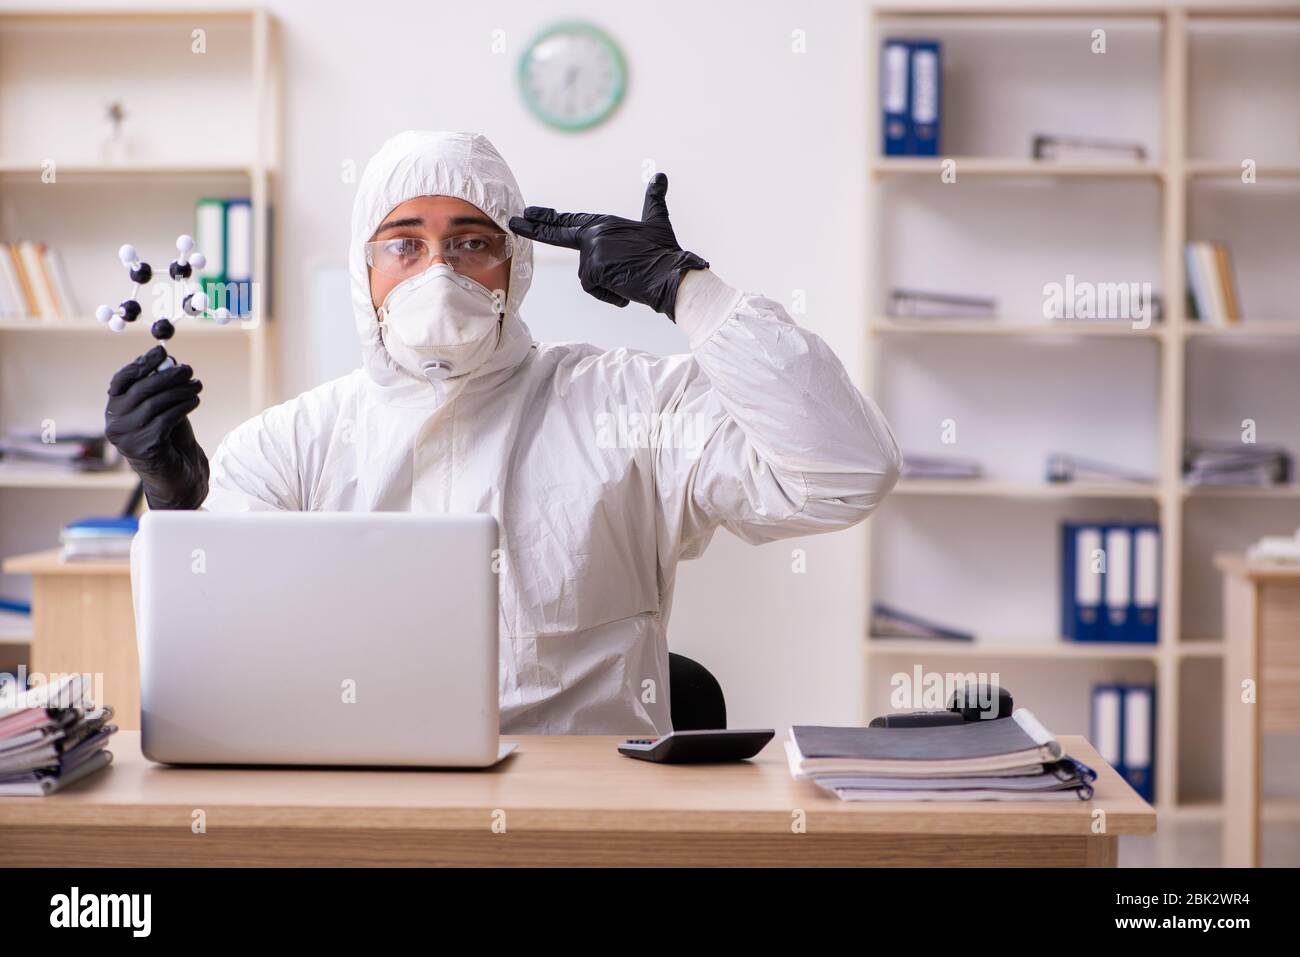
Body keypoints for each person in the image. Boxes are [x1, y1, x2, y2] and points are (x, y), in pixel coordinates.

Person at [104, 130, 902, 734]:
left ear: (517, 266)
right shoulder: (294, 443)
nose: (438, 271)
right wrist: (174, 511)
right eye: (405, 244)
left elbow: (845, 472)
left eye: (472, 243)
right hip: (369, 814)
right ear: (365, 270)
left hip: (591, 825)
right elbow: (210, 684)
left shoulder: (629, 404)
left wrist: (686, 289)